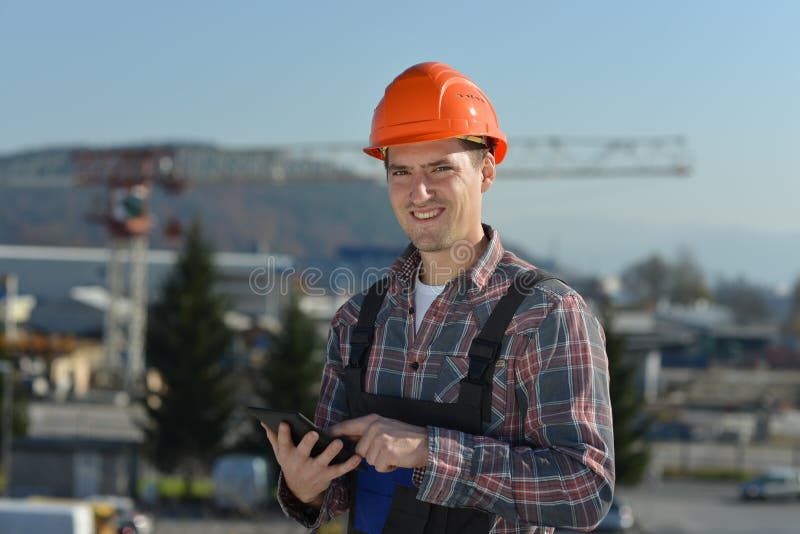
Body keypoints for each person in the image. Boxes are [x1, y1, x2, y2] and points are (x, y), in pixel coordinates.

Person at [263, 62, 614, 534]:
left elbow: (585, 490)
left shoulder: (546, 315)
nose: (418, 192)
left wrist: (430, 450)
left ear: (486, 172)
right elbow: (340, 488)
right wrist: (306, 487)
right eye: (401, 172)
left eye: (440, 169)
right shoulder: (356, 319)